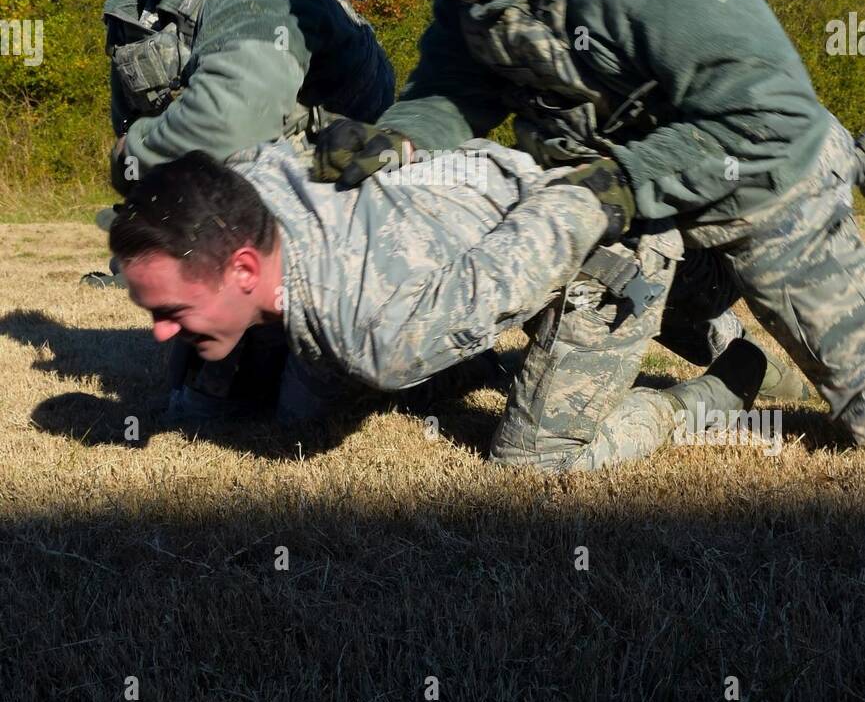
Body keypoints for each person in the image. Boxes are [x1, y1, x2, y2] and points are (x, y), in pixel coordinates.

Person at [313, 0, 865, 465]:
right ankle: (715, 389)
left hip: (769, 199)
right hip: (634, 220)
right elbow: (452, 93)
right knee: (534, 459)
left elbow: (767, 118)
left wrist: (617, 183)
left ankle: (780, 349)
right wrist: (391, 139)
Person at [108, 142, 766, 469]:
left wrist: (603, 188)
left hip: (586, 234)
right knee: (298, 418)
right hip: (457, 217)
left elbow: (530, 256)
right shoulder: (242, 197)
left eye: (172, 311)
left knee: (533, 462)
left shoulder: (377, 335)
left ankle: (718, 385)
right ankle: (490, 365)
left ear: (245, 267)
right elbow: (268, 152)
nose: (159, 330)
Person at [86, 0, 394, 424]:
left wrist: (133, 156)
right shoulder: (137, 5)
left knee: (291, 417)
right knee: (193, 399)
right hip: (243, 204)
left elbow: (230, 123)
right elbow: (138, 125)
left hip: (338, 202)